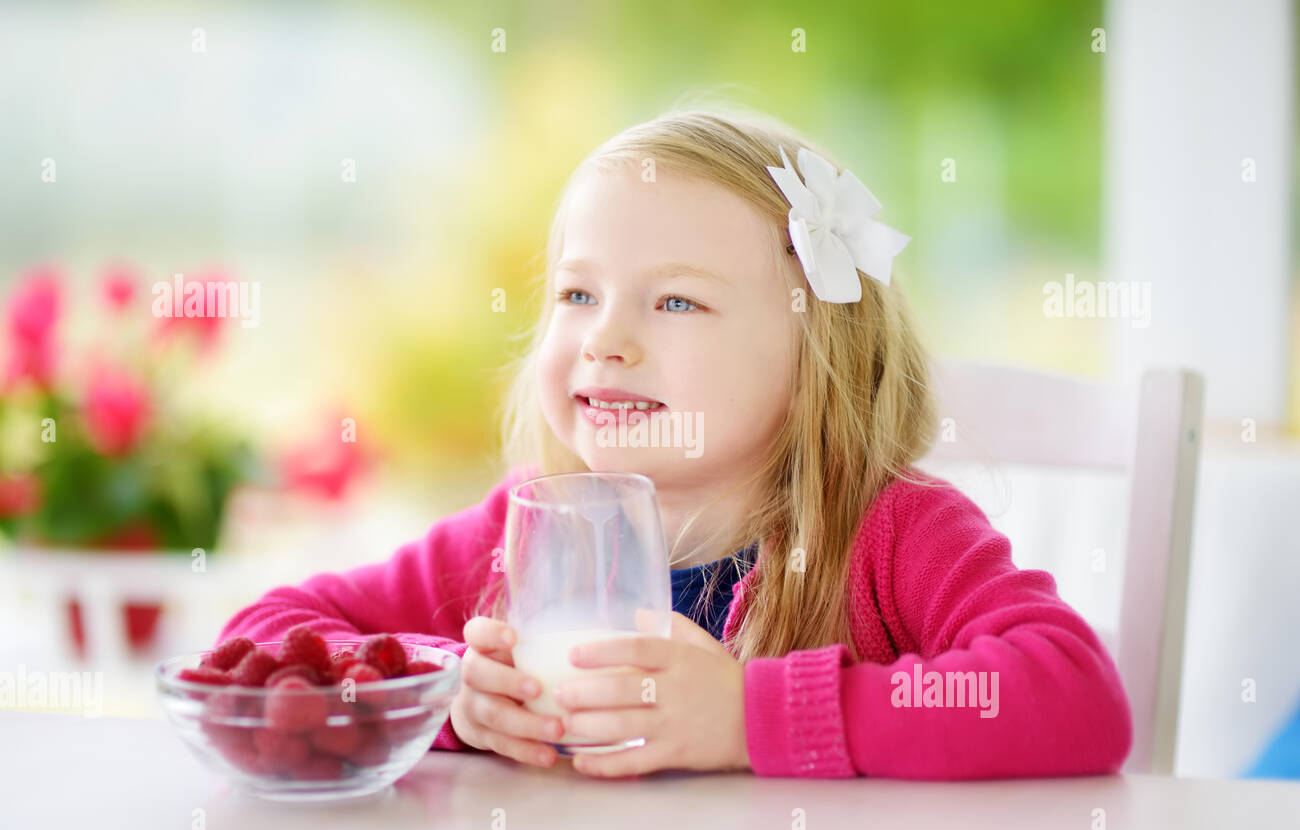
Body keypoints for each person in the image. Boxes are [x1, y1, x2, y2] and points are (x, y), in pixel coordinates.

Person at [217, 103, 1132, 780]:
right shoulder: (527, 531)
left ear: (815, 354)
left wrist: (749, 718)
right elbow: (264, 635)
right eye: (578, 294)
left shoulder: (890, 536)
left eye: (676, 301)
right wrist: (448, 693)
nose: (605, 339)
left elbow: (1074, 693)